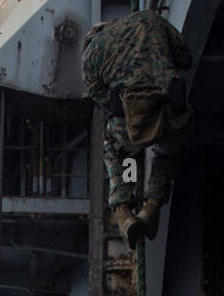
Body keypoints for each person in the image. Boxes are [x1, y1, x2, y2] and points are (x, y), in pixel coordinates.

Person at [81, 8, 193, 249]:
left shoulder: (90, 57)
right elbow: (186, 58)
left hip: (132, 127)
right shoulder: (150, 19)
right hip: (170, 115)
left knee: (113, 144)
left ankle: (123, 211)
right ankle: (151, 206)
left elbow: (103, 102)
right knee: (167, 152)